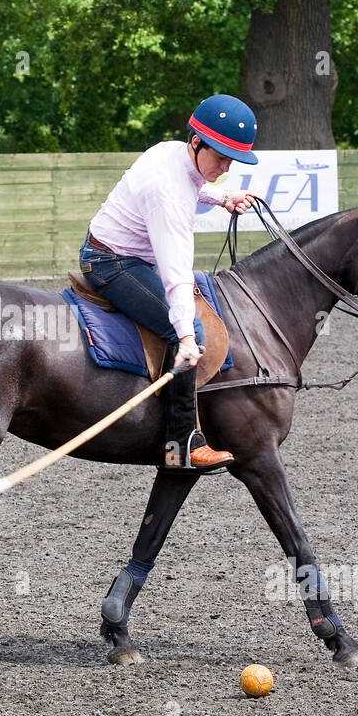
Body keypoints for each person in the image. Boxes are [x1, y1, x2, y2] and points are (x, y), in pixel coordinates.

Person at [79, 94, 258, 471]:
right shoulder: (169, 196)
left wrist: (224, 197)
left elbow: (195, 184)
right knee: (187, 326)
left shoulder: (173, 152)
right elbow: (177, 275)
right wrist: (189, 340)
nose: (224, 167)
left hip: (109, 248)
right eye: (221, 157)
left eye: (231, 161)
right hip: (112, 264)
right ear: (197, 143)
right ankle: (182, 445)